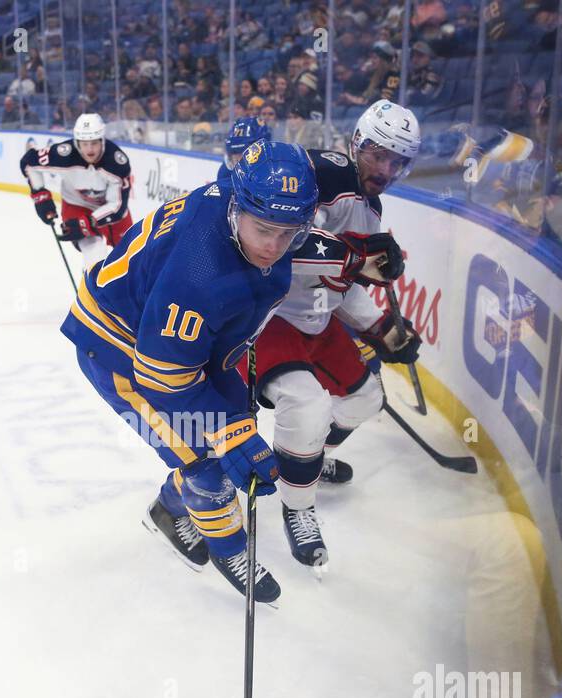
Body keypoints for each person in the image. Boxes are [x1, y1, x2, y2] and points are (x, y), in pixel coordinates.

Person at [59, 139, 401, 601]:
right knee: (206, 460)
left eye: (291, 233)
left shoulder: (243, 208)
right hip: (121, 350)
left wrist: (354, 254)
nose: (275, 248)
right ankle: (229, 547)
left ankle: (168, 508)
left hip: (180, 340)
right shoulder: (198, 275)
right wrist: (229, 431)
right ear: (239, 208)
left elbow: (287, 242)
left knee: (225, 434)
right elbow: (165, 378)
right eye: (265, 230)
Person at [247, 100, 419, 569]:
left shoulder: (370, 207)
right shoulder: (317, 174)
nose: (384, 169)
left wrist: (381, 329)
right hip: (270, 315)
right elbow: (281, 249)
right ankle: (297, 507)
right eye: (378, 154)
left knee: (365, 400)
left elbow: (337, 285)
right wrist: (358, 254)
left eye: (396, 161)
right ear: (357, 144)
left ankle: (307, 459)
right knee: (307, 403)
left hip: (318, 319)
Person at [19, 114, 133, 269]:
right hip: (76, 205)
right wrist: (40, 196)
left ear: (102, 141)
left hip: (110, 208)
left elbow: (117, 207)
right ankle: (91, 289)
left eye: (94, 143)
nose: (90, 149)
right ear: (77, 143)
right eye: (84, 144)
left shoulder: (117, 163)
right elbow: (29, 162)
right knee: (95, 251)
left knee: (130, 255)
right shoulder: (63, 155)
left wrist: (90, 221)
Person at [217, 117, 271, 187]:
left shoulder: (275, 171)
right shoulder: (225, 173)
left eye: (246, 152)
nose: (238, 159)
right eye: (234, 152)